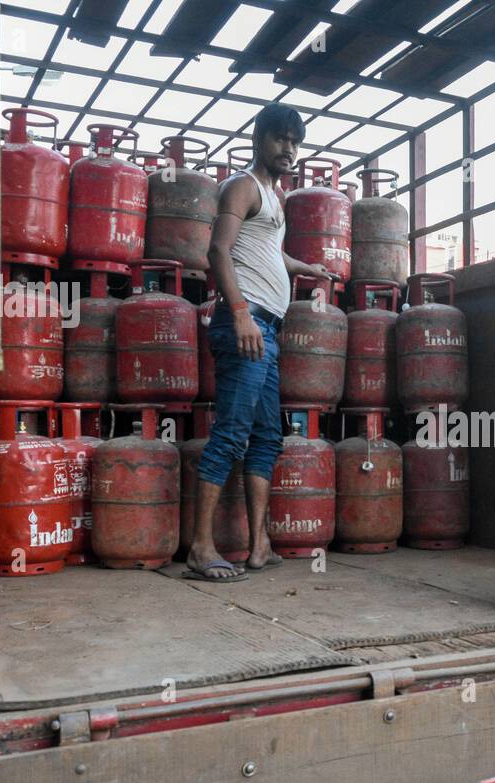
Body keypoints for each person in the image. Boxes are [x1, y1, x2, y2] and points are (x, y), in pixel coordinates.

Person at [186, 104, 335, 580]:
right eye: (280, 138)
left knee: (268, 437)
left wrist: (303, 267)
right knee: (231, 432)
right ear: (259, 140)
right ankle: (201, 547)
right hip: (245, 326)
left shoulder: (274, 198)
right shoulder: (243, 187)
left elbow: (266, 251)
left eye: (295, 141)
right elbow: (218, 250)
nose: (288, 149)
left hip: (267, 329)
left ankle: (259, 545)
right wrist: (240, 313)